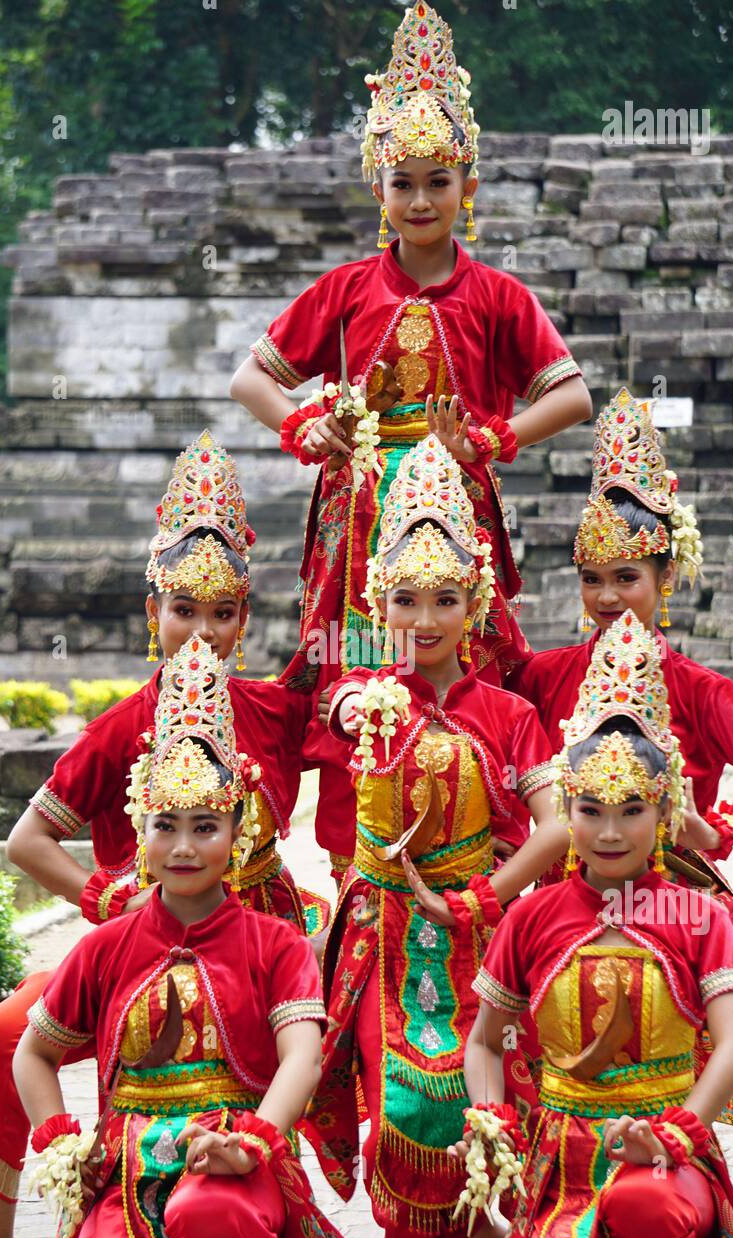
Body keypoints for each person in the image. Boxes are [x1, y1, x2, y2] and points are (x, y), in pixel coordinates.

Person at [0, 430, 327, 1238]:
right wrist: (112, 897)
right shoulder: (122, 725)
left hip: (261, 952)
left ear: (244, 620)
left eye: (222, 613)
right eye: (184, 609)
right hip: (135, 954)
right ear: (155, 613)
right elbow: (27, 841)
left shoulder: (277, 712)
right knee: (2, 1040)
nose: (203, 632)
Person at [229, 1, 592, 882]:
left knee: (470, 677)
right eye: (404, 182)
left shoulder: (500, 295)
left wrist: (493, 439)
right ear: (378, 188)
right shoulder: (347, 289)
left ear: (467, 182)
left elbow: (573, 395)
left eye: (439, 180)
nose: (421, 199)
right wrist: (310, 427)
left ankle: (485, 858)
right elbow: (252, 379)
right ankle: (361, 872)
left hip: (457, 512)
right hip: (358, 523)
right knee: (357, 680)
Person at [303, 433, 568, 1238]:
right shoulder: (368, 695)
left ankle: (480, 1233)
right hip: (382, 929)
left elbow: (556, 824)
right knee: (404, 1100)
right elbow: (340, 710)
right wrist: (361, 704)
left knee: (476, 1088)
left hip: (478, 928)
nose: (425, 619)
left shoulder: (509, 712)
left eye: (446, 599)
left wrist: (487, 895)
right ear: (380, 601)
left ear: (475, 605)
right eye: (407, 599)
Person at [12, 634, 355, 1238]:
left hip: (232, 1163)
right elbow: (33, 1053)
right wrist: (58, 1144)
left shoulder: (274, 942)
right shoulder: (106, 945)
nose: (184, 847)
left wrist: (255, 1141)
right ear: (140, 828)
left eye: (205, 827)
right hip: (128, 1170)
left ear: (239, 832)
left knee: (215, 1220)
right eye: (165, 825)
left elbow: (302, 1059)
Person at [508, 386, 733, 1131]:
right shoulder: (541, 678)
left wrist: (721, 830)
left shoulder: (697, 688)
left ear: (665, 580)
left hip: (668, 893)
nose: (608, 597)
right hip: (560, 895)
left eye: (627, 577)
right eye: (593, 579)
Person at [460, 609, 733, 1238]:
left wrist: (676, 1135)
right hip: (563, 1155)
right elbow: (485, 1042)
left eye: (631, 809)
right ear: (567, 810)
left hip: (663, 1145)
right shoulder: (533, 916)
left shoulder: (697, 914)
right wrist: (490, 1118)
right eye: (590, 809)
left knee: (646, 1208)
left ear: (663, 811)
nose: (610, 831)